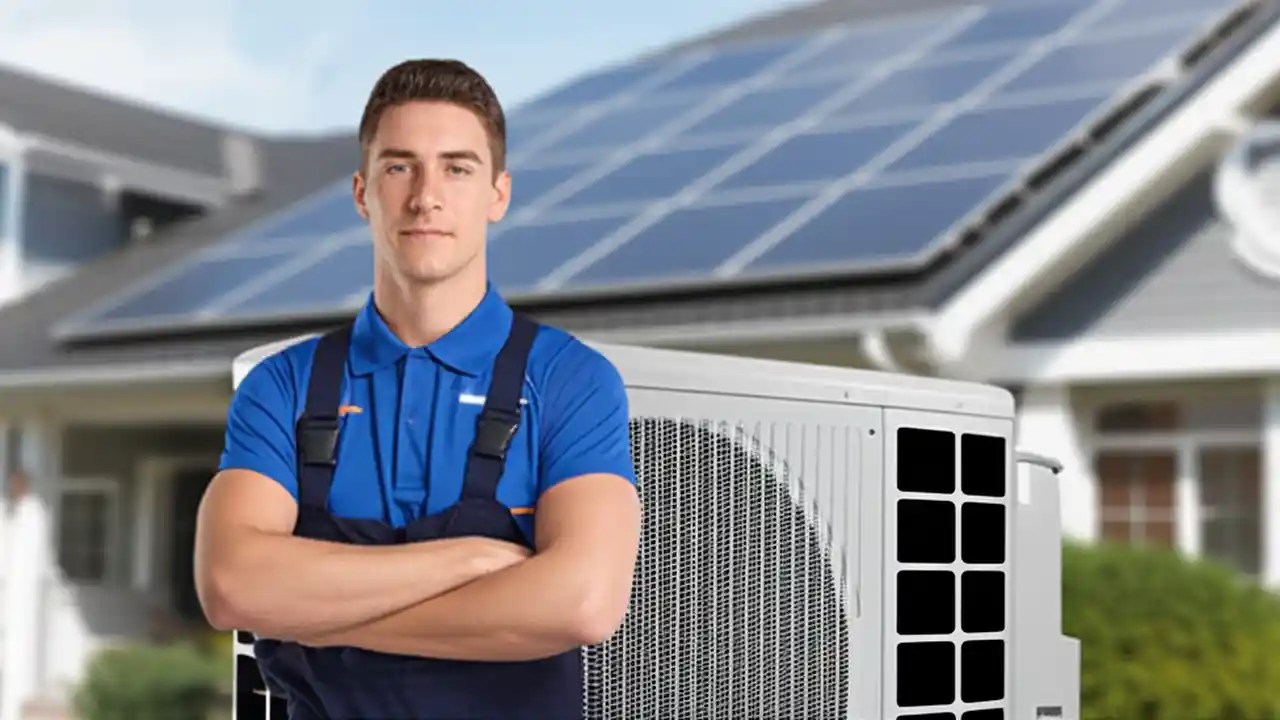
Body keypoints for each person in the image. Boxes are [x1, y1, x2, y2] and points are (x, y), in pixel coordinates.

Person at [194, 58, 642, 720]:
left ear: (498, 194)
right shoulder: (282, 387)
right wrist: (464, 561)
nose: (425, 195)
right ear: (361, 192)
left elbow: (583, 602)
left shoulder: (570, 380)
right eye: (399, 166)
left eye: (457, 168)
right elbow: (232, 586)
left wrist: (321, 622)